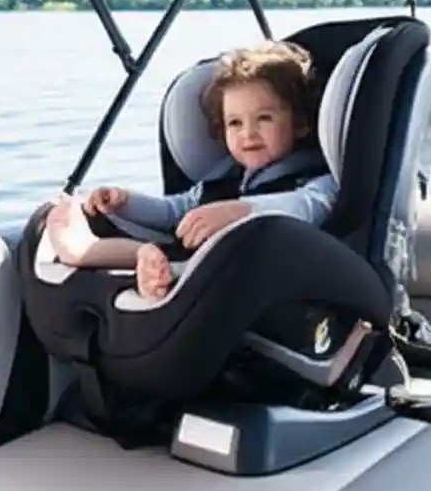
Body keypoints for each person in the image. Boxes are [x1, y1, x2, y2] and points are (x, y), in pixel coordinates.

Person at [45, 39, 338, 299]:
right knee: (135, 231)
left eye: (264, 118)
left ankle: (103, 255)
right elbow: (173, 211)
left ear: (300, 123)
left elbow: (306, 207)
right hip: (200, 265)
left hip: (254, 275)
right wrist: (125, 202)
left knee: (196, 260)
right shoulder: (225, 175)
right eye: (235, 123)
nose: (248, 134)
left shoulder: (320, 180)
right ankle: (138, 260)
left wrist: (240, 211)